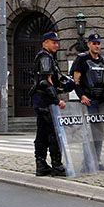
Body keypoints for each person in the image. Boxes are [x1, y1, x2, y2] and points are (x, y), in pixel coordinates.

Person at [30, 31, 70, 177]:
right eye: (53, 42)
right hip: (45, 101)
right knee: (54, 133)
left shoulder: (46, 57)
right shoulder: (46, 57)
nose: (57, 44)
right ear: (45, 42)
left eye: (57, 42)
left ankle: (41, 164)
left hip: (40, 100)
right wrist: (56, 100)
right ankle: (56, 165)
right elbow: (46, 82)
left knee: (42, 133)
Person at [72, 33, 104, 171]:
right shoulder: (82, 60)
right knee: (89, 132)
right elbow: (76, 81)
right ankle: (87, 162)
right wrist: (81, 96)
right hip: (88, 101)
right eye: (94, 43)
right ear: (89, 44)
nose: (96, 46)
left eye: (98, 43)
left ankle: (97, 160)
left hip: (102, 101)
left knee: (99, 133)